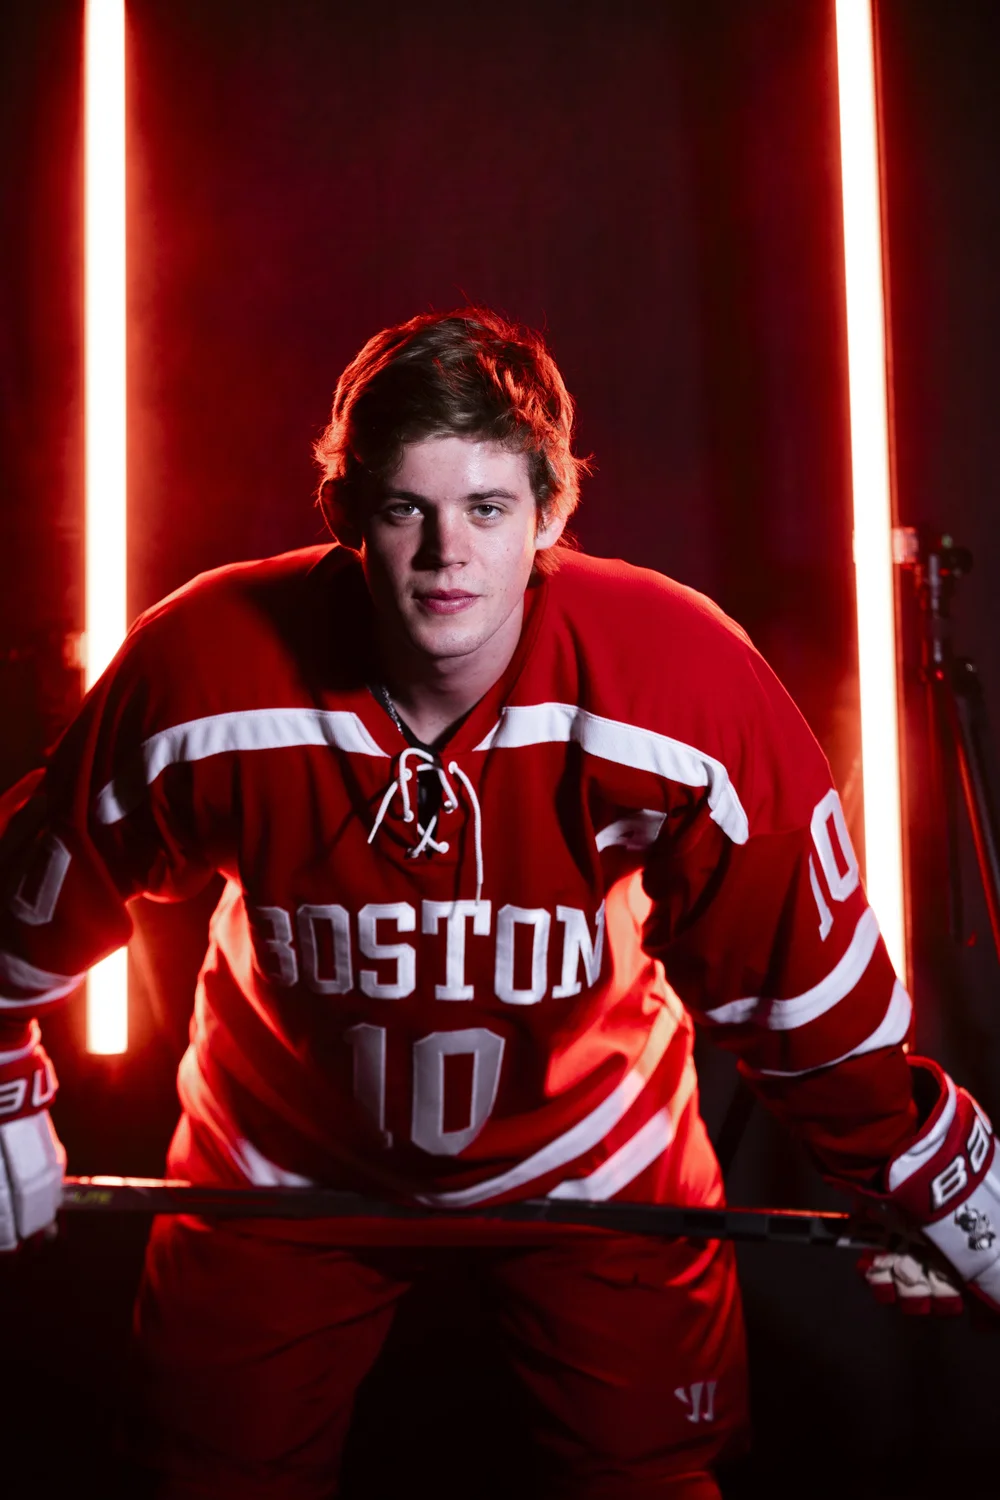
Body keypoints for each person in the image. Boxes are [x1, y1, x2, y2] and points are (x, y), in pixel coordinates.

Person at [0, 306, 997, 1499]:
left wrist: (917, 1166)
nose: (444, 556)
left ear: (550, 521)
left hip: (596, 1159)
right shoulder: (205, 666)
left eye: (485, 510)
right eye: (404, 509)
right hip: (282, 1158)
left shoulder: (676, 677)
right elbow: (33, 886)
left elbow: (789, 958)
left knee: (651, 1486)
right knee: (197, 1480)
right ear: (343, 519)